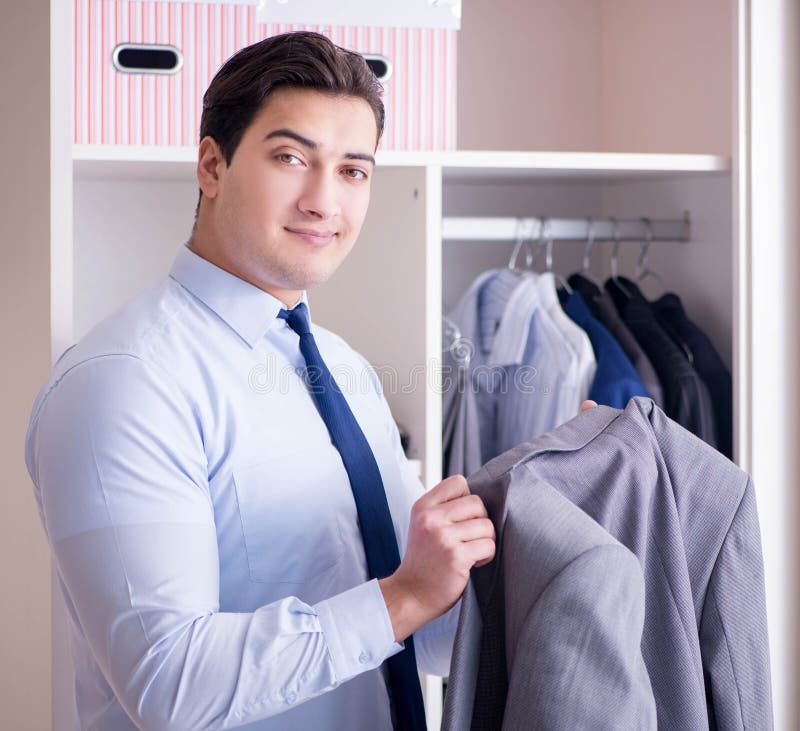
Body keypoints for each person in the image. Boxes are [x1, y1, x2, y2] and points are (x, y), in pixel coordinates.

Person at [25, 31, 497, 730]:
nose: (323, 202)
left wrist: (548, 510)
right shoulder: (123, 384)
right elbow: (168, 684)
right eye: (291, 158)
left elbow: (417, 635)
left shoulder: (347, 372)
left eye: (352, 172)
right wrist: (401, 596)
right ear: (211, 166)